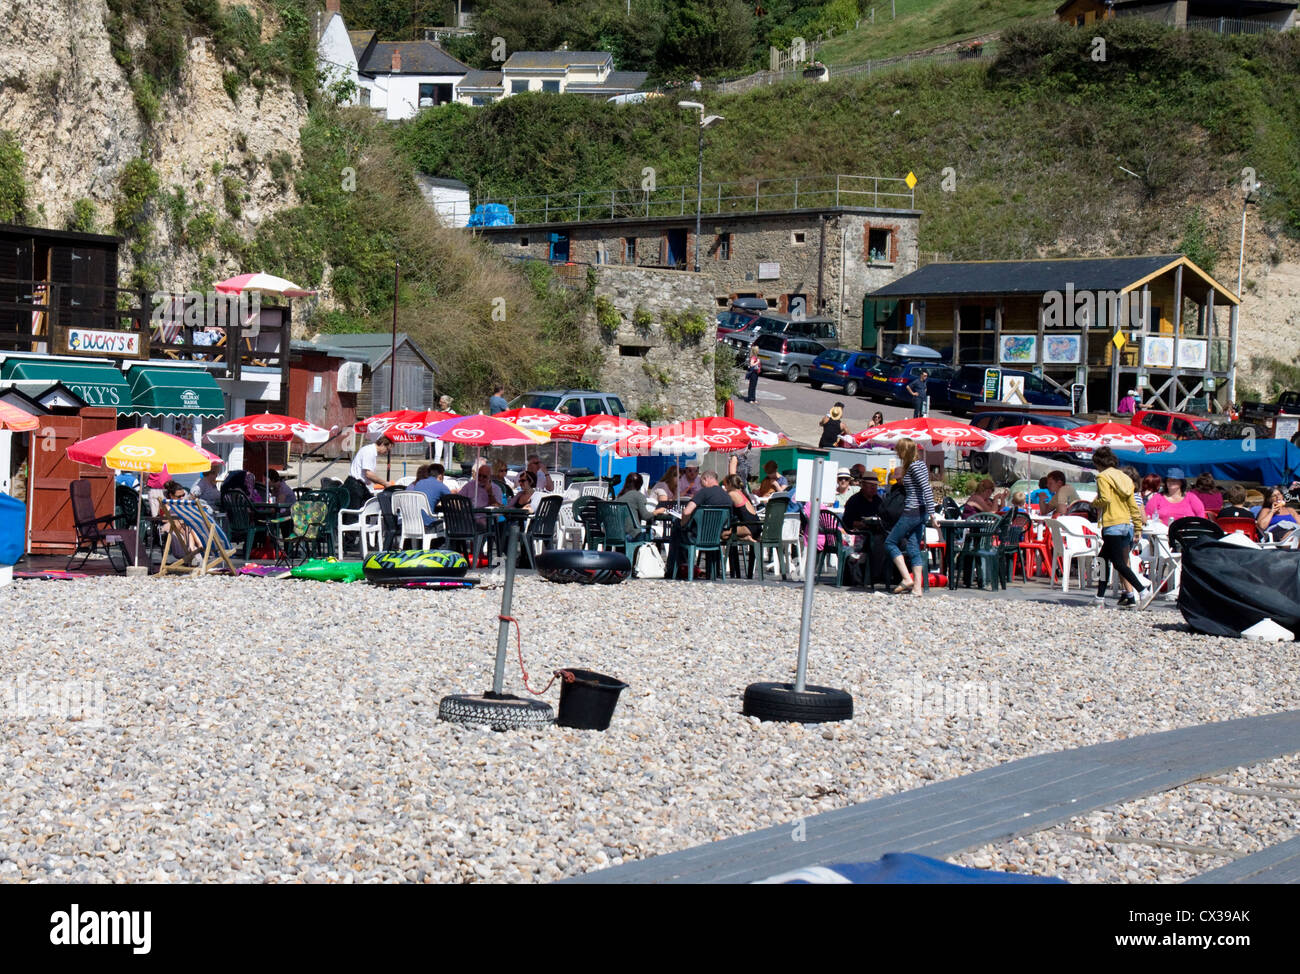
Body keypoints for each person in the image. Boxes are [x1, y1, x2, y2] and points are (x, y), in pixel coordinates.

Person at [1091, 446, 1149, 609]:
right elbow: (1133, 505)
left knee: (1118, 563)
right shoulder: (1125, 478)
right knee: (1103, 559)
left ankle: (1142, 590)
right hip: (1125, 524)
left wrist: (1094, 503)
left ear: (1098, 463)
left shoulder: (1103, 477)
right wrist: (1137, 527)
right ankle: (1099, 597)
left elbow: (1105, 499)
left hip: (1112, 524)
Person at [883, 437, 937, 596]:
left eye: (898, 450)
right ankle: (917, 588)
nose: (897, 453)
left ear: (904, 451)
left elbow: (927, 489)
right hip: (920, 513)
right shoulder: (918, 465)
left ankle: (907, 578)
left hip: (912, 511)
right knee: (913, 547)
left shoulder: (914, 466)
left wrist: (933, 514)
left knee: (890, 542)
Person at [347, 435, 393, 508]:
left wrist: (378, 482)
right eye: (387, 449)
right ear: (382, 444)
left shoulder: (370, 451)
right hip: (355, 486)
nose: (386, 452)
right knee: (355, 513)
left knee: (370, 506)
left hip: (360, 485)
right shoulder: (369, 452)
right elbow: (369, 474)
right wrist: (385, 483)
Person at [722, 473, 762, 541]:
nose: (724, 486)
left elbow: (723, 504)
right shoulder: (742, 493)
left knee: (723, 534)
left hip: (748, 527)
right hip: (757, 525)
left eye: (725, 484)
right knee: (730, 531)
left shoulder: (732, 494)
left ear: (730, 484)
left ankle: (745, 538)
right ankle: (745, 538)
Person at [411, 463, 452, 527]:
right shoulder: (441, 486)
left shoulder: (419, 483)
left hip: (414, 523)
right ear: (440, 476)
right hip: (429, 524)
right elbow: (453, 502)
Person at [616, 473, 653, 538]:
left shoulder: (619, 497)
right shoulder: (638, 496)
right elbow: (645, 516)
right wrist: (657, 512)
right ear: (640, 484)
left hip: (617, 534)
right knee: (652, 533)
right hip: (632, 534)